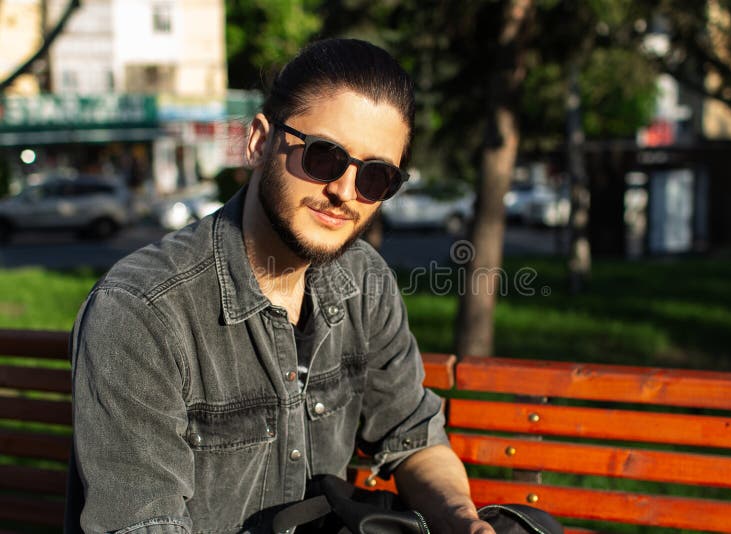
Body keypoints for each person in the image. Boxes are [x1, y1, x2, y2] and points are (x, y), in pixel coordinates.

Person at [66, 38, 494, 534]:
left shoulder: (366, 282)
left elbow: (413, 436)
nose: (343, 192)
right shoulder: (141, 312)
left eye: (375, 176)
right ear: (258, 142)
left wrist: (464, 522)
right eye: (323, 157)